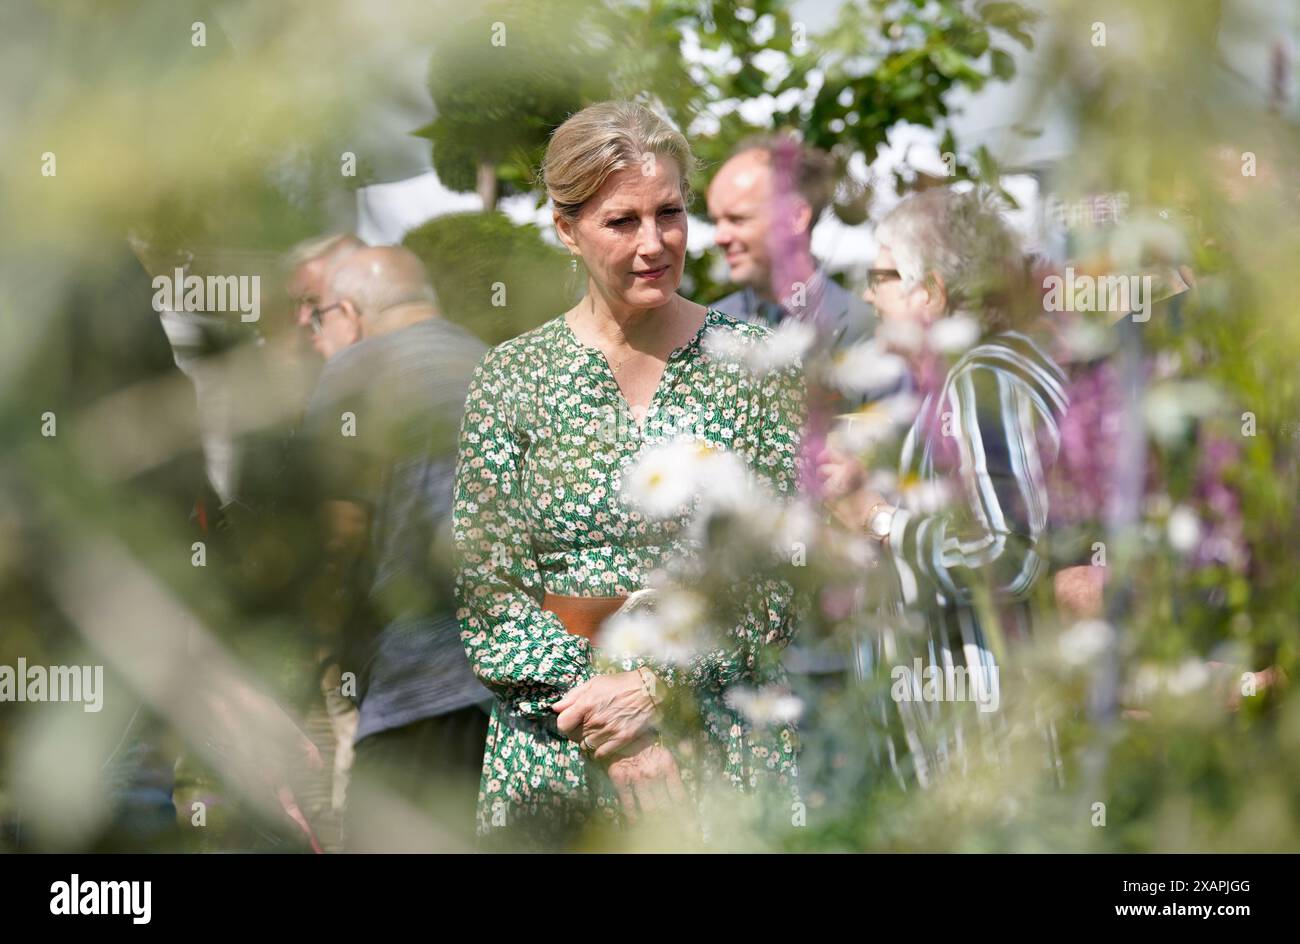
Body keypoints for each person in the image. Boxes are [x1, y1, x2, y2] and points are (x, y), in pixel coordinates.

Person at [451, 101, 805, 849]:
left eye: (670, 213)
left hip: (718, 736)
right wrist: (604, 711)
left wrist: (656, 687)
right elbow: (487, 588)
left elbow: (778, 568)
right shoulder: (512, 378)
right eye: (622, 221)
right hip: (559, 743)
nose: (655, 243)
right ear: (566, 229)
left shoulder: (754, 364)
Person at [818, 186, 1069, 787]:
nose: (869, 295)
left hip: (991, 753)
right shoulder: (997, 369)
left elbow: (1009, 555)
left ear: (928, 291)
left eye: (881, 276)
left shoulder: (982, 380)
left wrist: (881, 522)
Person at [297, 246, 492, 850]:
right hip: (510, 696)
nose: (313, 334)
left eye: (317, 317)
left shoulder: (356, 368)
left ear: (348, 314)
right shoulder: (492, 361)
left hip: (411, 694)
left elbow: (335, 536)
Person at [706, 132, 874, 352]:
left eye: (737, 219)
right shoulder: (708, 331)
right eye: (716, 221)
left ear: (795, 218)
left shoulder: (863, 329)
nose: (720, 237)